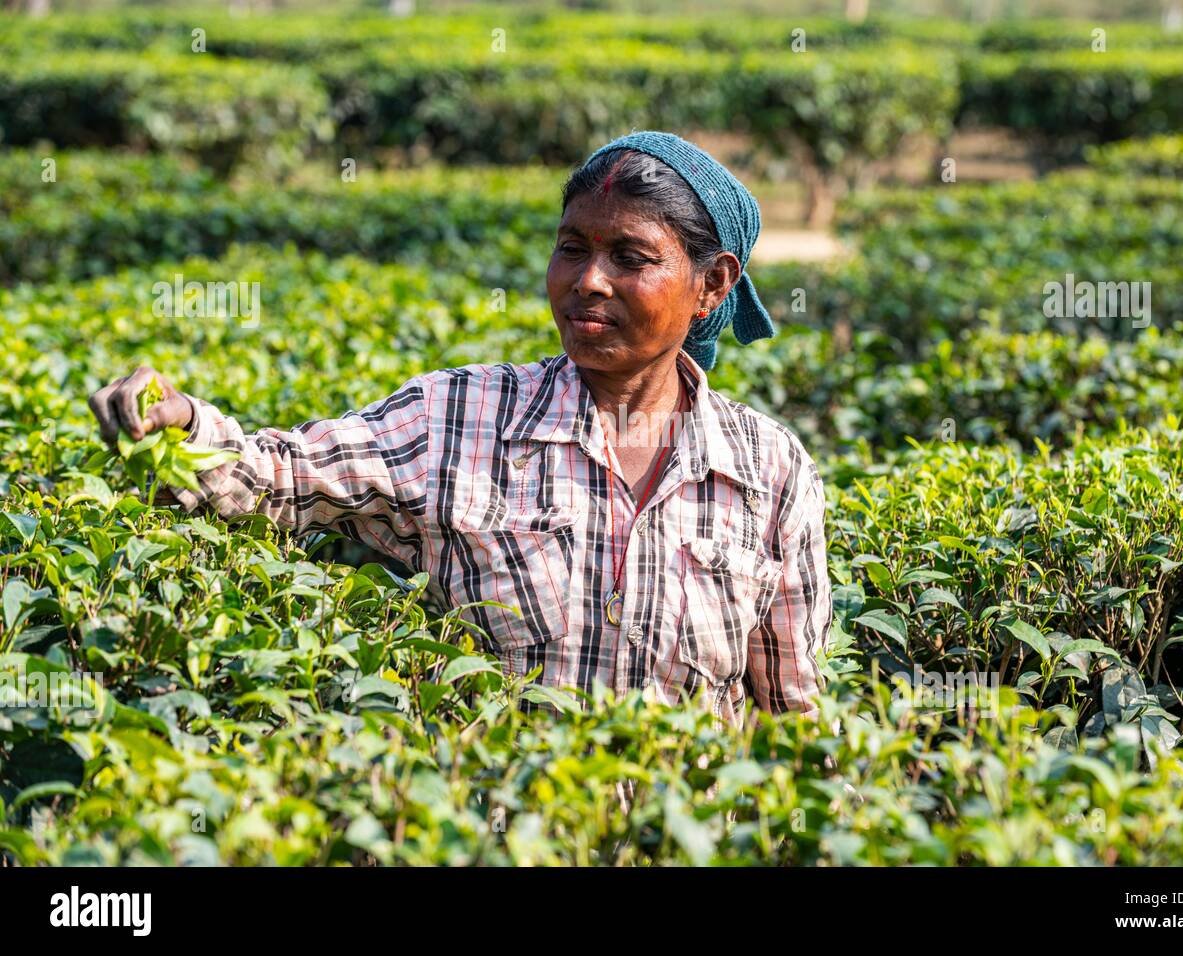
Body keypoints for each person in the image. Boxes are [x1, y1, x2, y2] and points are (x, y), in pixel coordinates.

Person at [87, 131, 831, 726]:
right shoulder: (461, 418)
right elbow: (277, 478)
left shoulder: (768, 471)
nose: (587, 280)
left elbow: (792, 708)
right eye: (572, 247)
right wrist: (181, 422)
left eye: (630, 257)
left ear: (713, 285)